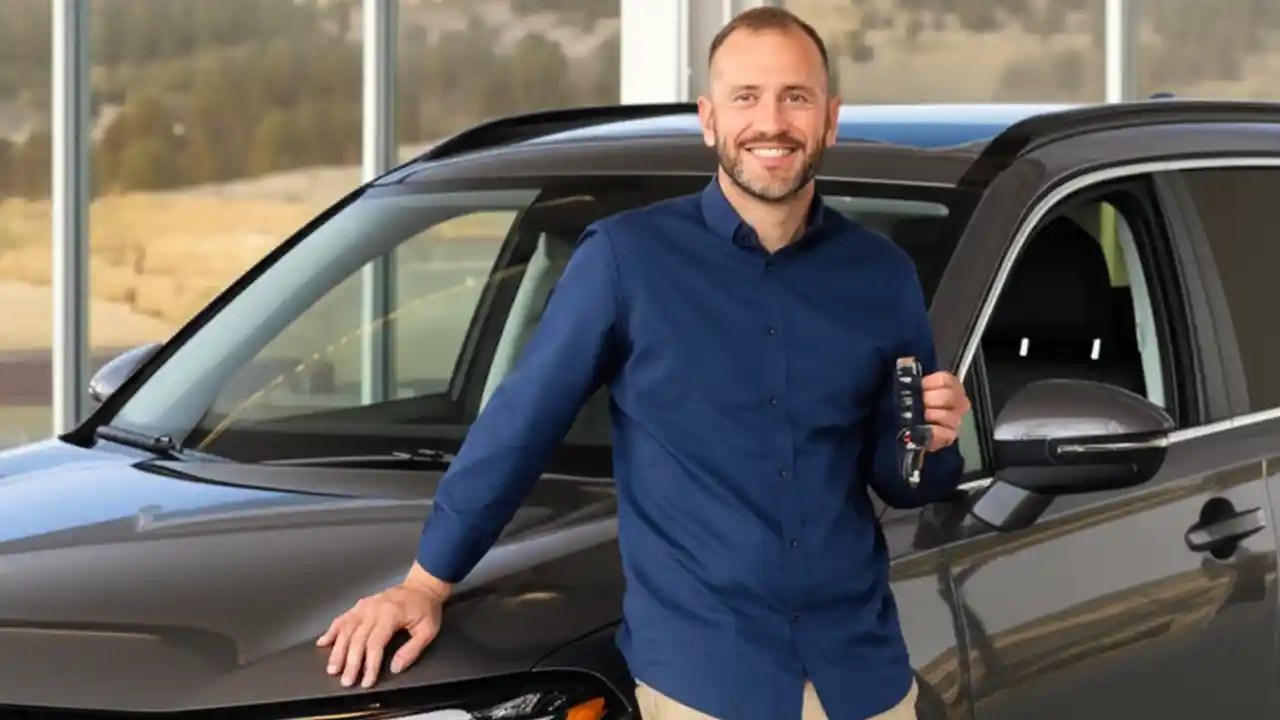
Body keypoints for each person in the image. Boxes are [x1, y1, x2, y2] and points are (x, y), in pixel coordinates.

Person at [317, 7, 970, 720]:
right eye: (746, 97)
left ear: (830, 118)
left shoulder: (882, 275)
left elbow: (905, 479)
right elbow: (519, 426)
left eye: (796, 97)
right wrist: (426, 583)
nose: (771, 122)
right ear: (710, 119)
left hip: (864, 681)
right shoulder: (628, 261)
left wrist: (935, 442)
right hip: (705, 683)